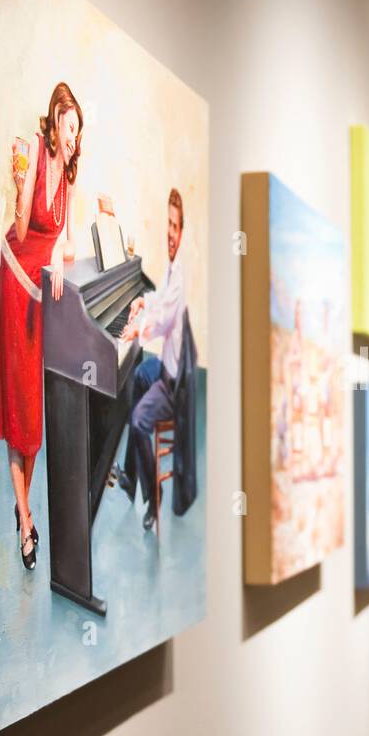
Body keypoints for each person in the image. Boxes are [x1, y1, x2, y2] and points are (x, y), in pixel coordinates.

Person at [0, 81, 81, 570]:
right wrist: (19, 181)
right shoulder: (33, 154)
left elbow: (62, 237)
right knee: (17, 410)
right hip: (14, 285)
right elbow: (24, 229)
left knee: (32, 414)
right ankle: (26, 521)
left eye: (78, 132)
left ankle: (21, 508)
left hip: (38, 291)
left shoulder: (69, 176)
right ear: (56, 120)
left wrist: (60, 258)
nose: (73, 138)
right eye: (70, 128)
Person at [113, 187, 199, 531]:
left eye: (175, 226)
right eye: (168, 223)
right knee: (136, 377)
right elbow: (160, 299)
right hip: (165, 368)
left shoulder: (183, 274)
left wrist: (137, 330)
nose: (169, 232)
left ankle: (154, 494)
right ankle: (132, 477)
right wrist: (141, 303)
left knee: (138, 422)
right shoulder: (173, 267)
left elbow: (164, 319)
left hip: (175, 384)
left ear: (184, 230)